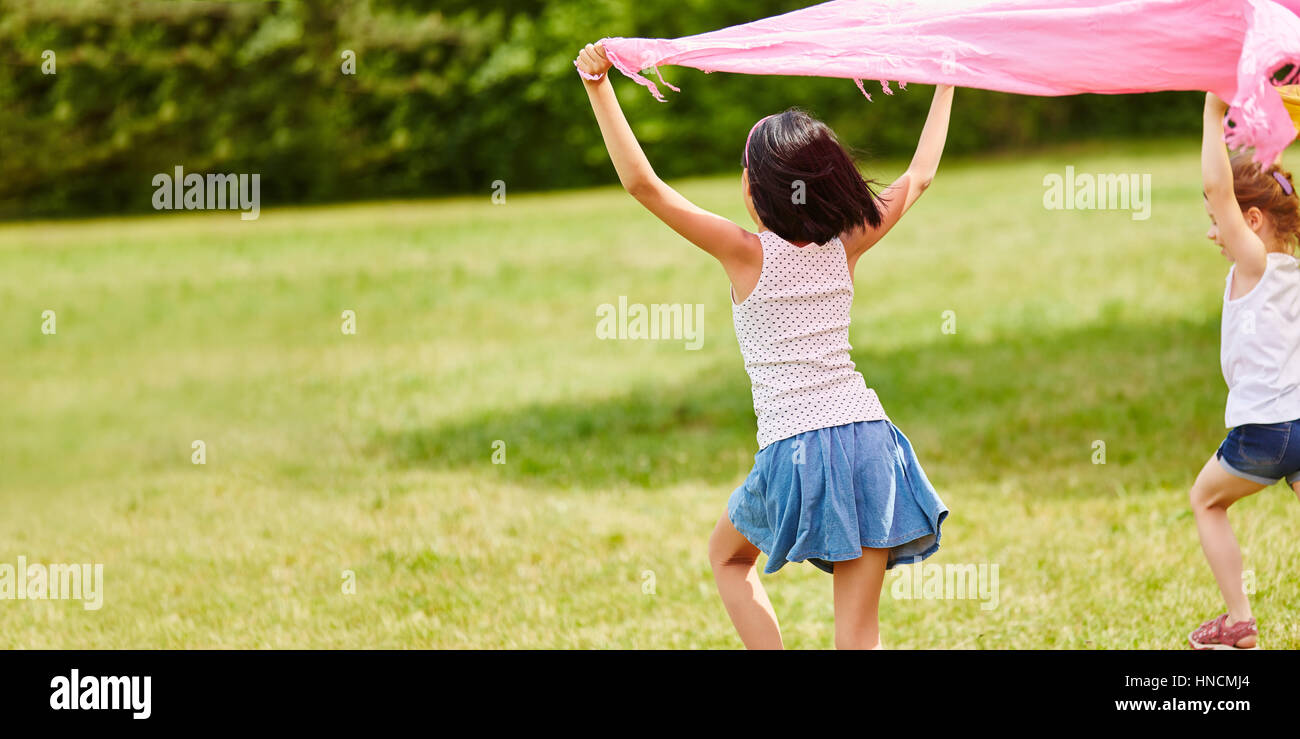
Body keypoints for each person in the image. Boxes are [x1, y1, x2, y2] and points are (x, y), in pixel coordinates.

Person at [576, 42, 953, 649]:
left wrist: (598, 87)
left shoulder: (744, 252)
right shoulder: (849, 241)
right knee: (858, 634)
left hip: (794, 450)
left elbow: (642, 185)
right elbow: (921, 174)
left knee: (728, 558)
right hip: (868, 440)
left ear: (755, 189)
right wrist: (946, 78)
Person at [1188, 92, 1300, 650]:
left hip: (1267, 428)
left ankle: (1237, 620)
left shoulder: (1254, 263)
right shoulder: (1294, 270)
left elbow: (1218, 187)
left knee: (1206, 501)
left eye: (1220, 223)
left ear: (1250, 220)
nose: (1215, 233)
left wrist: (1212, 111)